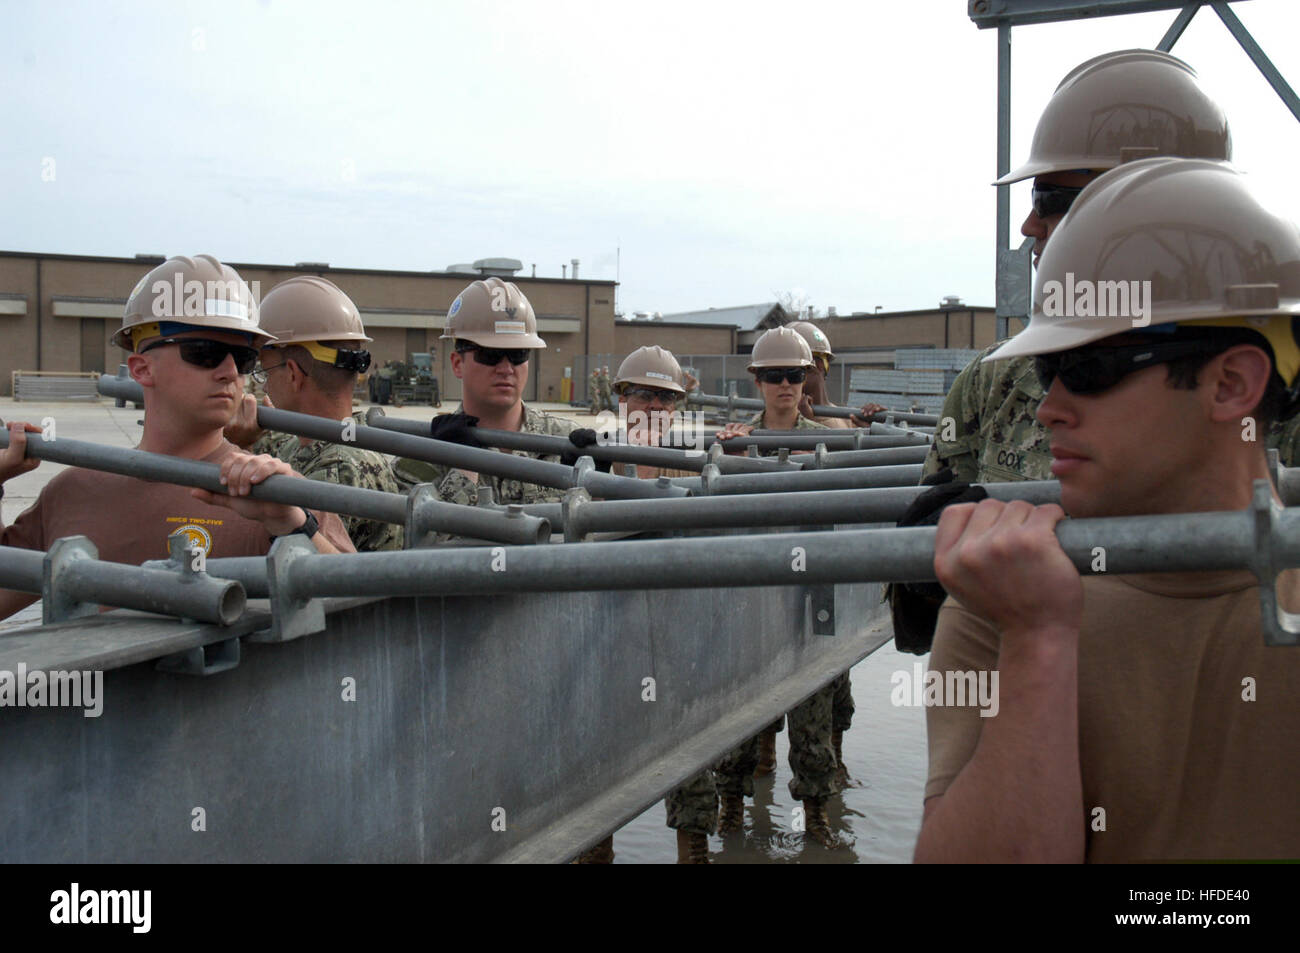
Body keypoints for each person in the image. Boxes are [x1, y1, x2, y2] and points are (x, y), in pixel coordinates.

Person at [915, 158, 1300, 863]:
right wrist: (1037, 639)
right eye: (1046, 369)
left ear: (1232, 383)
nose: (1051, 408)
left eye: (1091, 367)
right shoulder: (998, 599)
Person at [922, 49, 1233, 484]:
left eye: (1050, 201)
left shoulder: (1267, 401)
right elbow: (936, 532)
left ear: (1145, 211)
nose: (1030, 226)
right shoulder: (995, 380)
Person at [0, 254, 354, 622]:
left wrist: (293, 527)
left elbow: (366, 619)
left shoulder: (278, 494)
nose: (231, 371)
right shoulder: (72, 493)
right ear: (141, 368)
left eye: (244, 357)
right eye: (205, 353)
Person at [574, 346, 714, 865]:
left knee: (691, 748)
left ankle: (693, 847)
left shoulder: (693, 460)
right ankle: (595, 849)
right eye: (642, 394)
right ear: (621, 397)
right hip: (603, 632)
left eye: (665, 397)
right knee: (596, 756)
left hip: (672, 623)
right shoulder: (593, 453)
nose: (653, 405)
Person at [713, 326, 841, 848]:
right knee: (741, 710)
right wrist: (730, 455)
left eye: (794, 374)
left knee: (813, 713)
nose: (785, 384)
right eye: (774, 376)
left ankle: (815, 816)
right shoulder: (740, 443)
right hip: (756, 594)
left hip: (810, 592)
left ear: (807, 377)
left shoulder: (829, 439)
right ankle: (731, 810)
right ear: (757, 381)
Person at [224, 276, 404, 552]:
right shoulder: (337, 442)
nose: (265, 385)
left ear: (294, 374)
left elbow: (284, 556)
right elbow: (282, 447)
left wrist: (235, 452)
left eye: (265, 372)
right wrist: (244, 441)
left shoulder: (336, 470)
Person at [392, 278, 577, 505]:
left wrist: (597, 475)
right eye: (490, 354)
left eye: (518, 355)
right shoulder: (422, 457)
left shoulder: (566, 444)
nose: (506, 369)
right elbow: (418, 535)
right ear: (458, 363)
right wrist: (464, 468)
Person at [788, 320, 886, 434]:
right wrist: (803, 422)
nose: (785, 379)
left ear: (818, 365)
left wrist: (874, 428)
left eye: (792, 368)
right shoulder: (779, 420)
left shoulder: (846, 417)